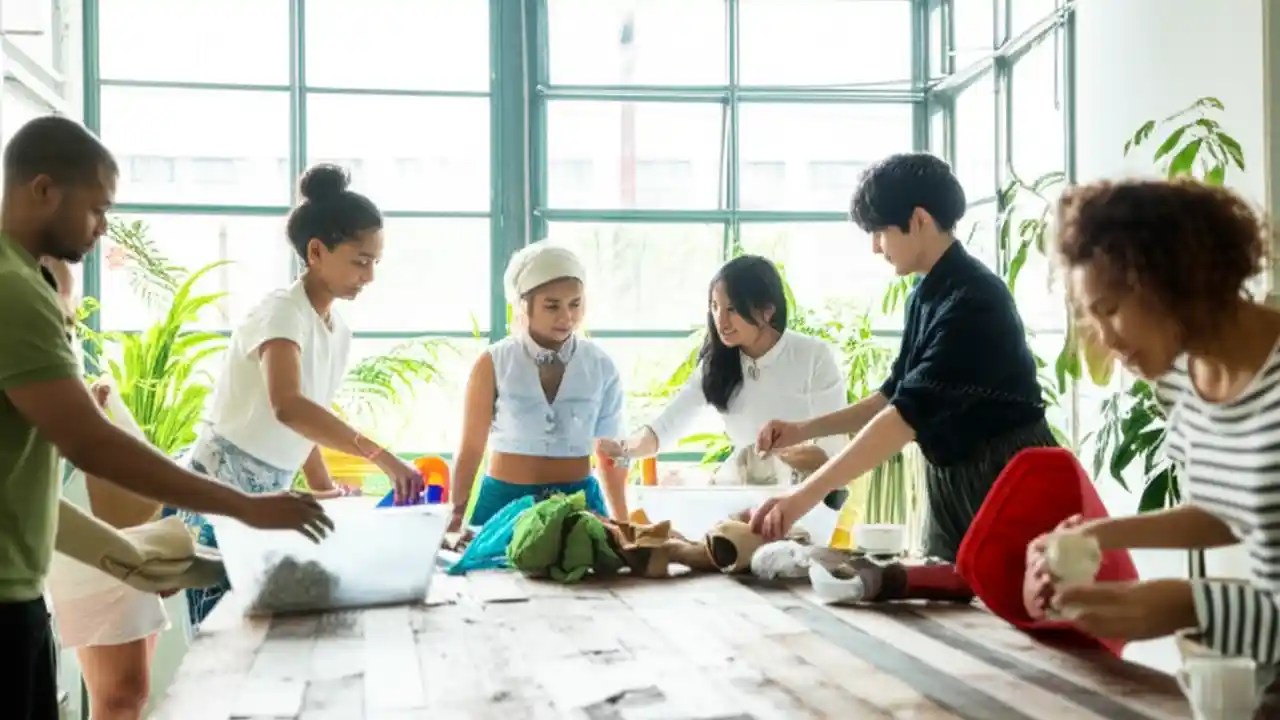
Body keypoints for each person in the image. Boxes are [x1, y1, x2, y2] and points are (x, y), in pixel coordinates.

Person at [0, 115, 329, 720]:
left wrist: (152, 560)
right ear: (43, 189)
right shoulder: (13, 289)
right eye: (97, 209)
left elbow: (26, 489)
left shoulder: (26, 282)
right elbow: (91, 446)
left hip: (20, 591)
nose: (103, 228)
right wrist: (244, 506)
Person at [750, 152, 1055, 601]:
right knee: (953, 611)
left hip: (1005, 476)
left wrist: (803, 498)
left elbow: (904, 417)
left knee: (1021, 616)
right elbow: (893, 395)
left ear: (918, 220)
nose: (876, 246)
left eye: (880, 231)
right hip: (952, 475)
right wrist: (804, 428)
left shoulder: (974, 300)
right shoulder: (926, 293)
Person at [1029, 179, 1280, 666]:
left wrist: (1189, 605)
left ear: (1177, 278)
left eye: (1111, 310)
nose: (1105, 340)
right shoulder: (1183, 379)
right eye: (1090, 318)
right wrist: (1099, 535)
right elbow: (1230, 510)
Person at [170, 163, 426, 627]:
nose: (368, 276)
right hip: (218, 492)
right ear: (315, 251)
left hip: (269, 496)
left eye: (375, 263)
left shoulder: (337, 328)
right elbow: (287, 405)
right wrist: (382, 457)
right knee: (228, 638)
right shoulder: (282, 312)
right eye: (359, 260)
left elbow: (309, 420)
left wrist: (323, 485)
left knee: (267, 633)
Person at [597, 254, 850, 513]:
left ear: (767, 310)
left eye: (732, 309)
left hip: (807, 498)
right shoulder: (718, 364)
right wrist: (624, 448)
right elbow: (666, 427)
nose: (722, 320)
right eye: (715, 307)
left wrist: (778, 452)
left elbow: (831, 454)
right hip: (744, 499)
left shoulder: (812, 356)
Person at [448, 240, 628, 532]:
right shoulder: (494, 362)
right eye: (552, 306)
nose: (566, 317)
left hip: (580, 504)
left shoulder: (600, 365)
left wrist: (623, 522)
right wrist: (454, 517)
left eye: (575, 304)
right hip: (505, 503)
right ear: (523, 305)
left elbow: (611, 452)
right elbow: (470, 448)